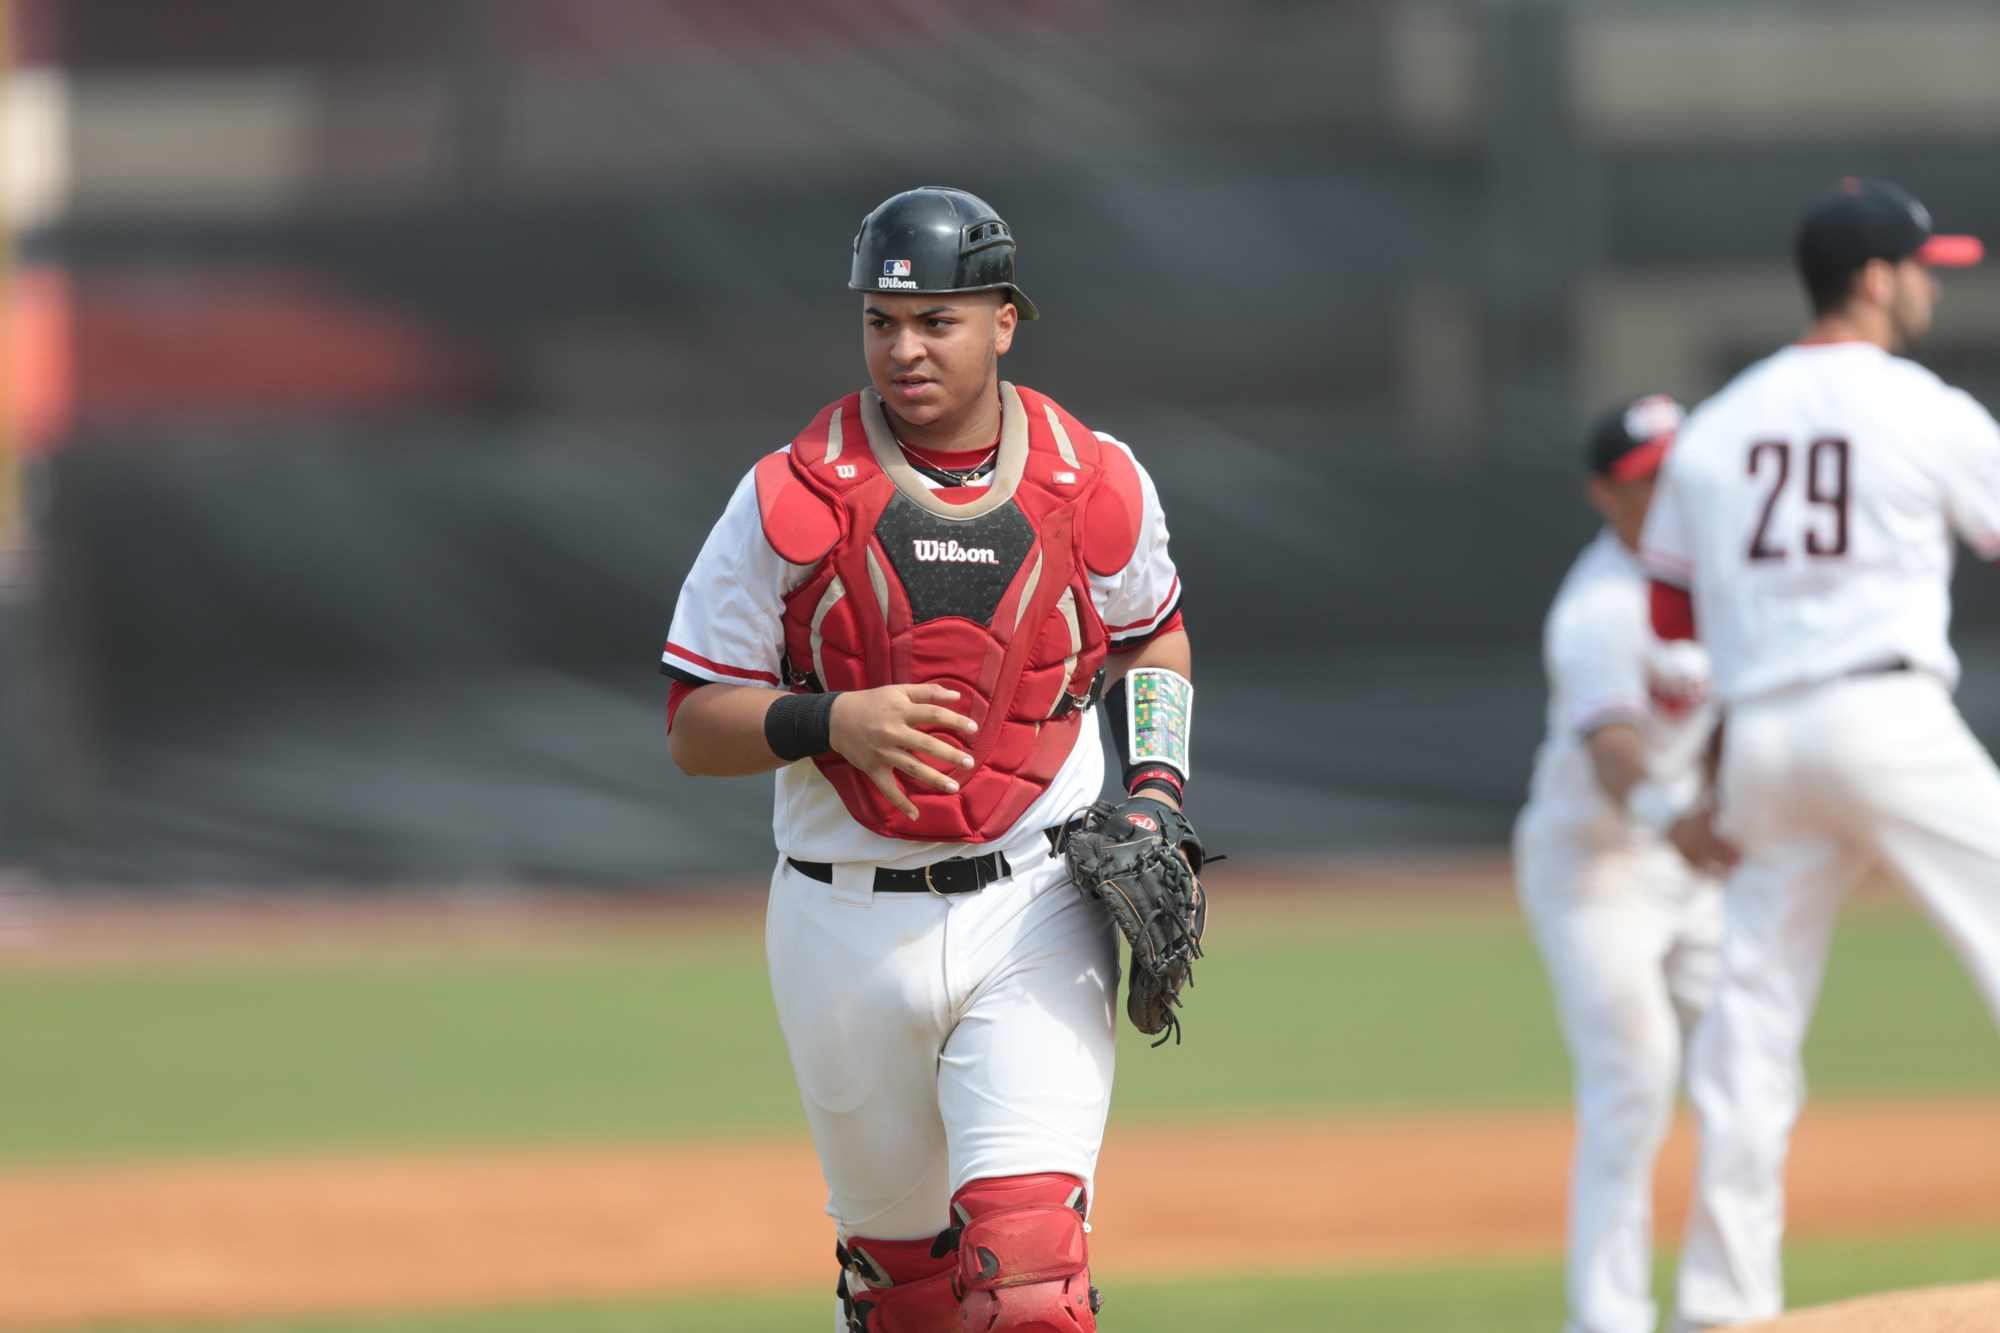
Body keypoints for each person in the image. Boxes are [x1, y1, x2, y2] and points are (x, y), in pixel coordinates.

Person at [659, 186, 1194, 1333]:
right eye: (880, 322)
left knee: (1032, 1282)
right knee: (907, 1297)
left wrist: (1154, 788)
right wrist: (826, 720)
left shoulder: (1092, 478)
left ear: (1003, 320)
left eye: (936, 321)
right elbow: (693, 721)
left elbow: (1154, 630)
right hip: (840, 920)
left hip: (1036, 900)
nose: (903, 348)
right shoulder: (788, 496)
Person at [1639, 178, 2000, 1330]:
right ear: (1873, 276)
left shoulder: (1718, 424)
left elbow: (1666, 623)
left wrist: (1691, 771)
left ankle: (1718, 1303)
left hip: (1764, 740)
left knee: (1749, 1030)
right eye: (1920, 266)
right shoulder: (1921, 406)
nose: (1930, 283)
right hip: (1885, 714)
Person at [1513, 394, 1736, 1333]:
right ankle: (1606, 1318)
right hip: (1595, 867)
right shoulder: (1599, 604)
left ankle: (1723, 1304)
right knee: (1635, 1076)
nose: (1673, 491)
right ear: (1609, 493)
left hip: (1688, 864)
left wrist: (1715, 809)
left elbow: (1736, 710)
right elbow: (1613, 753)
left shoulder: (1725, 571)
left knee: (1746, 1066)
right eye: (1650, 480)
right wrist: (1678, 818)